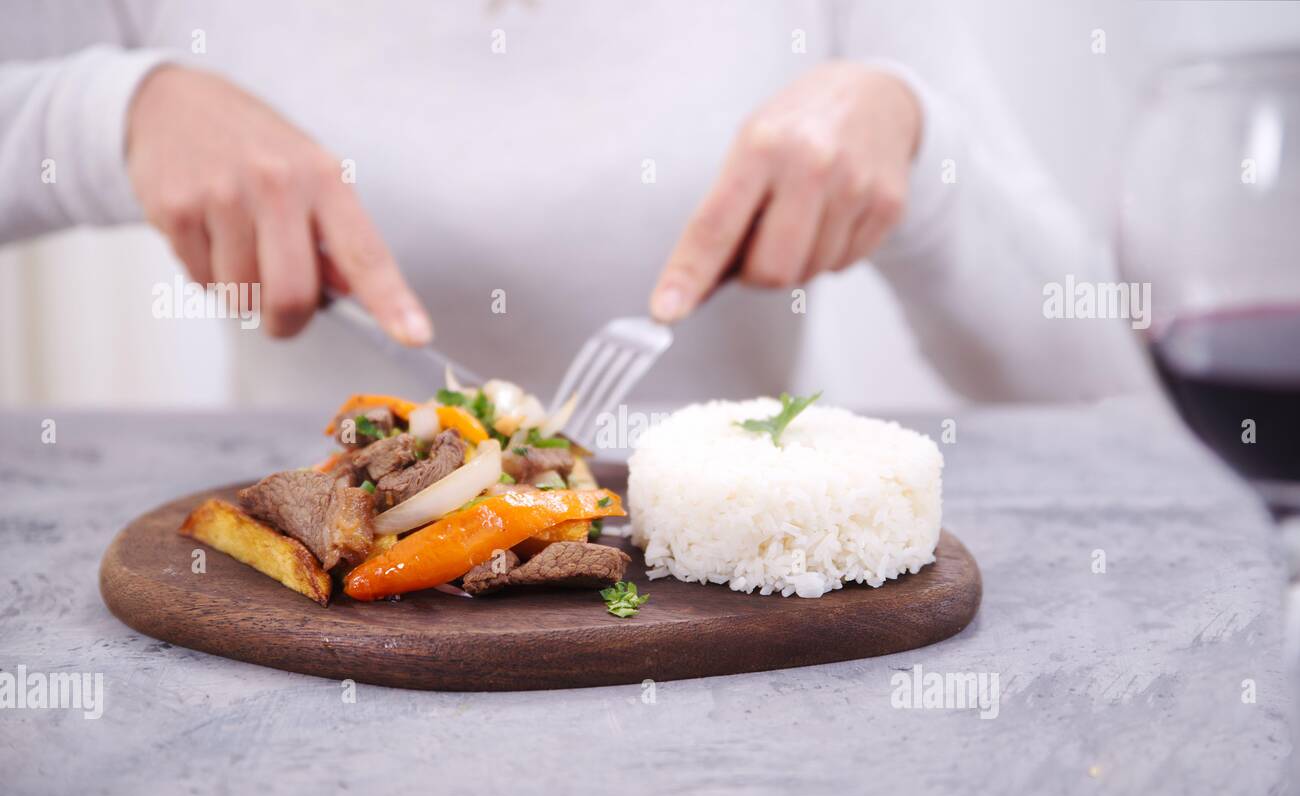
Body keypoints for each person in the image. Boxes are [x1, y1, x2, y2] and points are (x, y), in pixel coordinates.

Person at [0, 0, 1149, 405]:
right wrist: (109, 116)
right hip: (307, 646)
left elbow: (1097, 381)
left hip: (750, 652)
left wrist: (916, 145)